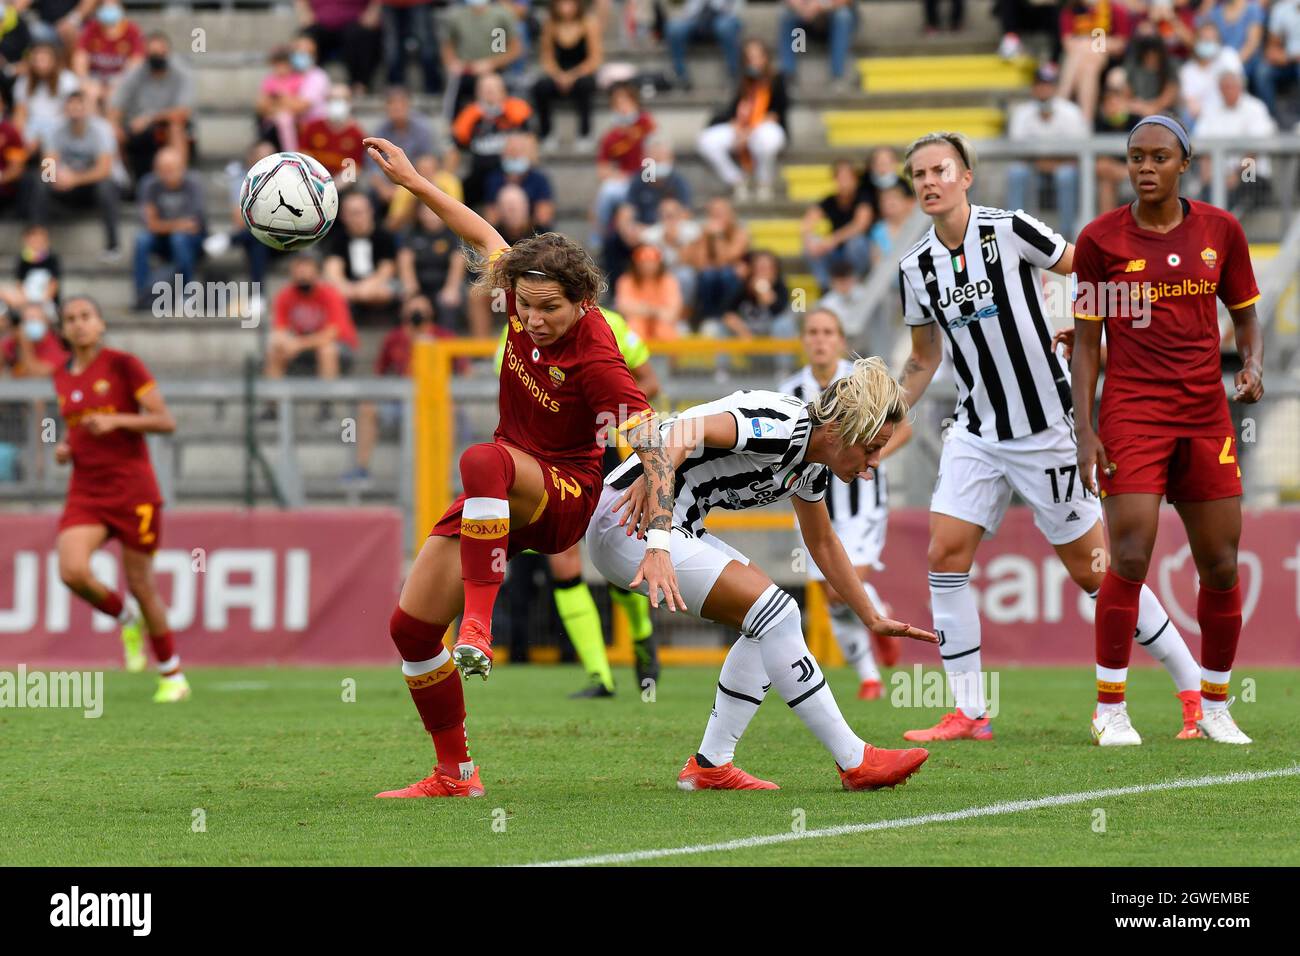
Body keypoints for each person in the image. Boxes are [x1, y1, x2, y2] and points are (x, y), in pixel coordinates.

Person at [364, 132, 681, 798]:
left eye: (549, 309)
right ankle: (456, 773)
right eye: (525, 305)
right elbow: (481, 231)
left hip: (563, 495)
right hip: (500, 487)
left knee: (483, 458)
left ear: (581, 301)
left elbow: (653, 439)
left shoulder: (597, 354)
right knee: (411, 630)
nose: (532, 319)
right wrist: (417, 184)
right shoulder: (521, 291)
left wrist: (658, 539)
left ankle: (478, 625)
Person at [894, 130, 1201, 744]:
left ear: (965, 177)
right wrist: (886, 415)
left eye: (939, 171)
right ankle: (971, 712)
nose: (929, 182)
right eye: (918, 175)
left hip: (1049, 429)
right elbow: (924, 358)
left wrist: (1102, 332)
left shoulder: (1009, 229)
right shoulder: (914, 266)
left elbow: (1085, 270)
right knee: (943, 556)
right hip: (977, 429)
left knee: (1095, 573)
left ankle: (1193, 689)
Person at [589, 359, 937, 789]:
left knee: (768, 622)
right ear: (842, 429)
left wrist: (871, 617)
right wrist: (656, 503)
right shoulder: (781, 426)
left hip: (666, 525)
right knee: (778, 614)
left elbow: (823, 542)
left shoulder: (810, 466)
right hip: (631, 521)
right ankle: (855, 760)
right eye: (871, 447)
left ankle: (710, 766)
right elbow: (682, 431)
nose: (875, 462)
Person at [1068, 115, 1263, 745]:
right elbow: (1088, 345)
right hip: (1133, 413)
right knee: (1127, 554)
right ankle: (1110, 709)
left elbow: (1245, 313)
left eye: (1158, 157)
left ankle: (1213, 706)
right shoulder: (1100, 240)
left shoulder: (1220, 230)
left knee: (1223, 565)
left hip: (1206, 416)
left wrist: (1253, 363)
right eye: (1134, 157)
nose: (1145, 167)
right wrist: (1085, 429)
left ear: (1186, 163)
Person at [491, 305, 664, 696]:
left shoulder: (608, 324)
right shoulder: (515, 328)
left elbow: (648, 383)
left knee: (617, 557)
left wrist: (599, 400)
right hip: (545, 459)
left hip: (599, 454)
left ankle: (641, 634)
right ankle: (599, 676)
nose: (537, 313)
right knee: (563, 562)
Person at [52, 295, 187, 702]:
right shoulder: (61, 375)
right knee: (71, 571)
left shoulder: (123, 365)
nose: (78, 324)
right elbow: (76, 427)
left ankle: (172, 675)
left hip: (132, 490)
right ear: (63, 329)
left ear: (100, 323)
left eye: (85, 316)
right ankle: (126, 618)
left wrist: (117, 420)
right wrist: (64, 447)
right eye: (70, 319)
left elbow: (166, 421)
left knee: (142, 584)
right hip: (87, 490)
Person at [779, 309, 910, 700]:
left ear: (839, 339)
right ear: (804, 340)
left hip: (862, 501)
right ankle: (870, 677)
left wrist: (873, 455)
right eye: (813, 332)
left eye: (828, 332)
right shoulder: (790, 389)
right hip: (811, 499)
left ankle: (879, 617)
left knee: (846, 584)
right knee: (834, 596)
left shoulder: (861, 385)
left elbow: (902, 424)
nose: (820, 339)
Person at [31, 89, 121, 259]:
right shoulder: (55, 129)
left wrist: (76, 178)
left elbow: (104, 169)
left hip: (92, 186)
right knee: (40, 182)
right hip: (66, 185)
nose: (75, 111)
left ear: (87, 108)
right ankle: (37, 243)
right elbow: (47, 167)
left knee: (106, 186)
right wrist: (58, 177)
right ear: (65, 108)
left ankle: (113, 244)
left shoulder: (102, 129)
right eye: (71, 106)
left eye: (79, 107)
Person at [697, 38, 789, 202]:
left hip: (763, 128)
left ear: (765, 57)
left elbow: (776, 113)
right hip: (741, 128)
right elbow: (731, 111)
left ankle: (764, 182)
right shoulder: (741, 81)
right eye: (749, 58)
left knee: (767, 140)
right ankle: (737, 180)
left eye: (757, 56)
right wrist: (736, 126)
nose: (753, 61)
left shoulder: (777, 79)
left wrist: (749, 131)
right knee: (706, 140)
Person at [1004, 63, 1088, 240]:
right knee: (1016, 172)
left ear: (1055, 87)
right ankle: (1014, 232)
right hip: (1033, 166)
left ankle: (1067, 234)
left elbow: (1081, 148)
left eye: (1048, 84)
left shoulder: (1070, 111)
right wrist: (1043, 162)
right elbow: (1016, 148)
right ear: (1033, 88)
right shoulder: (1022, 112)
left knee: (1065, 175)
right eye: (1040, 84)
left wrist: (1053, 162)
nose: (1044, 89)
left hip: (1064, 165)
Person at [109, 31, 194, 184]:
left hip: (166, 125)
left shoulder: (182, 74)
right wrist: (115, 126)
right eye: (153, 53)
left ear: (168, 52)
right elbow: (115, 107)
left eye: (160, 52)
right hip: (136, 128)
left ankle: (178, 180)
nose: (157, 57)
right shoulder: (135, 73)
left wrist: (150, 118)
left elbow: (183, 112)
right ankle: (123, 182)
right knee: (113, 133)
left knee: (176, 127)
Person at [264, 252, 358, 383]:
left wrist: (298, 344)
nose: (302, 273)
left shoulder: (330, 294)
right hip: (302, 345)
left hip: (339, 347)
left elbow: (331, 334)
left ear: (317, 272)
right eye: (298, 269)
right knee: (276, 349)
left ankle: (328, 400)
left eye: (306, 268)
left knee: (326, 350)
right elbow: (279, 329)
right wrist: (284, 342)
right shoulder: (284, 295)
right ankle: (272, 399)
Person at [132, 146, 204, 310]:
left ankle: (187, 293)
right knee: (141, 240)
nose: (167, 174)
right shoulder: (149, 184)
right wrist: (177, 225)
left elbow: (193, 225)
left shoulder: (193, 184)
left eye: (171, 169)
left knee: (179, 238)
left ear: (182, 168)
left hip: (191, 241)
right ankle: (142, 294)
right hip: (161, 239)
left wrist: (163, 225)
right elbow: (150, 224)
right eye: (163, 170)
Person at [450, 71, 533, 209]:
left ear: (503, 91)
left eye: (493, 89)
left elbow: (530, 141)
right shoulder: (469, 116)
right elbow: (456, 147)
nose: (489, 93)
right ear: (477, 93)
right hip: (479, 175)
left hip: (511, 172)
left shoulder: (516, 111)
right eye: (485, 90)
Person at [322, 190, 400, 325]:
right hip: (349, 286)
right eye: (352, 214)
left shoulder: (384, 236)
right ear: (343, 216)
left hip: (377, 285)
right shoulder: (337, 238)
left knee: (389, 290)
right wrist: (350, 289)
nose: (357, 218)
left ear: (371, 211)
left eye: (360, 212)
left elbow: (386, 270)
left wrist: (366, 288)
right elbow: (333, 270)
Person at [532, 0, 602, 150]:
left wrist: (572, 75)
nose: (566, 8)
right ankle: (547, 132)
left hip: (582, 72)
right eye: (562, 4)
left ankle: (585, 133)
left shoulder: (588, 23)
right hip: (559, 74)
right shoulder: (550, 25)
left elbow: (595, 59)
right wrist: (558, 75)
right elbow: (547, 57)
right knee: (540, 87)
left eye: (569, 4)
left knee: (584, 86)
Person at [441, 0, 523, 120]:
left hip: (495, 70)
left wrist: (491, 64)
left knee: (492, 85)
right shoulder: (457, 16)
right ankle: (455, 128)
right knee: (457, 87)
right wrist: (452, 63)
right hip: (466, 71)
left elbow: (514, 49)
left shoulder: (501, 16)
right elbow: (448, 45)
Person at [801, 158, 873, 292]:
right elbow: (808, 221)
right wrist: (809, 239)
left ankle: (855, 284)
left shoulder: (863, 197)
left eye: (847, 177)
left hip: (858, 251)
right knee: (810, 245)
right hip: (836, 252)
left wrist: (832, 240)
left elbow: (860, 225)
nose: (843, 182)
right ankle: (826, 288)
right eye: (840, 177)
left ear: (855, 179)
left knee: (856, 243)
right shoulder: (830, 200)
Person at [397, 199, 467, 329]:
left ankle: (447, 343)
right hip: (420, 285)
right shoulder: (411, 233)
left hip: (445, 284)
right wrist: (412, 291)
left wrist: (451, 288)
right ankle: (409, 345)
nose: (431, 217)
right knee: (409, 302)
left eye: (434, 212)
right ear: (418, 214)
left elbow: (458, 259)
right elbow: (405, 259)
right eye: (426, 212)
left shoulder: (453, 232)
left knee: (448, 302)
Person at [367, 86, 437, 206]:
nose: (397, 108)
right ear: (386, 107)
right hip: (388, 184)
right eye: (392, 104)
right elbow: (372, 165)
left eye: (401, 104)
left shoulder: (422, 129)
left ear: (408, 105)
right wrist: (383, 188)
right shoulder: (380, 131)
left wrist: (405, 190)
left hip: (416, 182)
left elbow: (428, 161)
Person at [296, 0, 382, 94]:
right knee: (306, 38)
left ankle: (360, 84)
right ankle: (303, 82)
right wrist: (304, 12)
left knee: (362, 35)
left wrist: (373, 11)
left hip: (355, 21)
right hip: (319, 21)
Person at [71, 0, 143, 108]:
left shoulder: (132, 30)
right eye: (105, 6)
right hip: (95, 77)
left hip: (119, 78)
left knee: (114, 96)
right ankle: (92, 123)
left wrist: (120, 82)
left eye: (112, 6)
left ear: (120, 8)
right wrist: (85, 80)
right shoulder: (91, 28)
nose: (108, 10)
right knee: (90, 93)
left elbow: (137, 61)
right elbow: (80, 56)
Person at [12, 41, 80, 152]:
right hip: (32, 128)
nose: (40, 65)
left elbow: (72, 112)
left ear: (54, 61)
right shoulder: (23, 82)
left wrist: (44, 137)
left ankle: (49, 169)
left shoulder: (68, 80)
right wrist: (20, 138)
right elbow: (20, 113)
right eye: (37, 61)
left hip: (60, 127)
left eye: (44, 60)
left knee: (49, 152)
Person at [776, 0, 859, 91]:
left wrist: (820, 6)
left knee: (843, 15)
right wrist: (801, 7)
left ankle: (838, 77)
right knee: (786, 15)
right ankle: (788, 76)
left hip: (834, 16)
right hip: (806, 18)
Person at [663, 0, 742, 91]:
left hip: (724, 19)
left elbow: (735, 12)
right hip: (697, 21)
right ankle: (680, 74)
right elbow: (688, 12)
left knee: (725, 27)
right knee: (673, 28)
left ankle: (733, 73)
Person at [297, 83, 366, 186]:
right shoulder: (313, 127)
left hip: (341, 187)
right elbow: (302, 156)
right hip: (312, 183)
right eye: (332, 99)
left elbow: (354, 170)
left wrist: (331, 188)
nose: (336, 103)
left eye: (342, 99)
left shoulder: (357, 134)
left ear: (350, 103)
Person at [483, 132, 555, 229]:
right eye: (510, 152)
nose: (514, 156)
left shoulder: (539, 179)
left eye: (518, 152)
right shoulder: (494, 179)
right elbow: (490, 218)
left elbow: (544, 217)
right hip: (503, 233)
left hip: (531, 233)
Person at [615, 244, 683, 343]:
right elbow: (623, 307)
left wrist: (648, 311)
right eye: (643, 262)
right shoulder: (626, 280)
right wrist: (653, 311)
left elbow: (672, 312)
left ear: (659, 263)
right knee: (634, 328)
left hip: (661, 324)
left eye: (651, 262)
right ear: (636, 264)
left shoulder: (669, 280)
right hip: (638, 324)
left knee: (665, 330)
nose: (647, 266)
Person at [1179, 21, 1244, 124]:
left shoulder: (1228, 56)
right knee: (1187, 116)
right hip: (1203, 119)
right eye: (1204, 39)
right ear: (1196, 41)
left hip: (1230, 110)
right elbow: (1191, 105)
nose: (1208, 42)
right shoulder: (1187, 70)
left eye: (1211, 39)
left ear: (1218, 41)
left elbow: (1236, 89)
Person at [380, 0, 443, 93]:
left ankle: (433, 85)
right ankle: (396, 88)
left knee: (425, 42)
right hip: (390, 3)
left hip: (418, 2)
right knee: (392, 46)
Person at [1256, 0, 1300, 120]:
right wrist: (1285, 56)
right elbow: (1272, 46)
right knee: (1262, 71)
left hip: (1294, 60)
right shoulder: (1282, 8)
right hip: (1289, 59)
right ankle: (1271, 118)